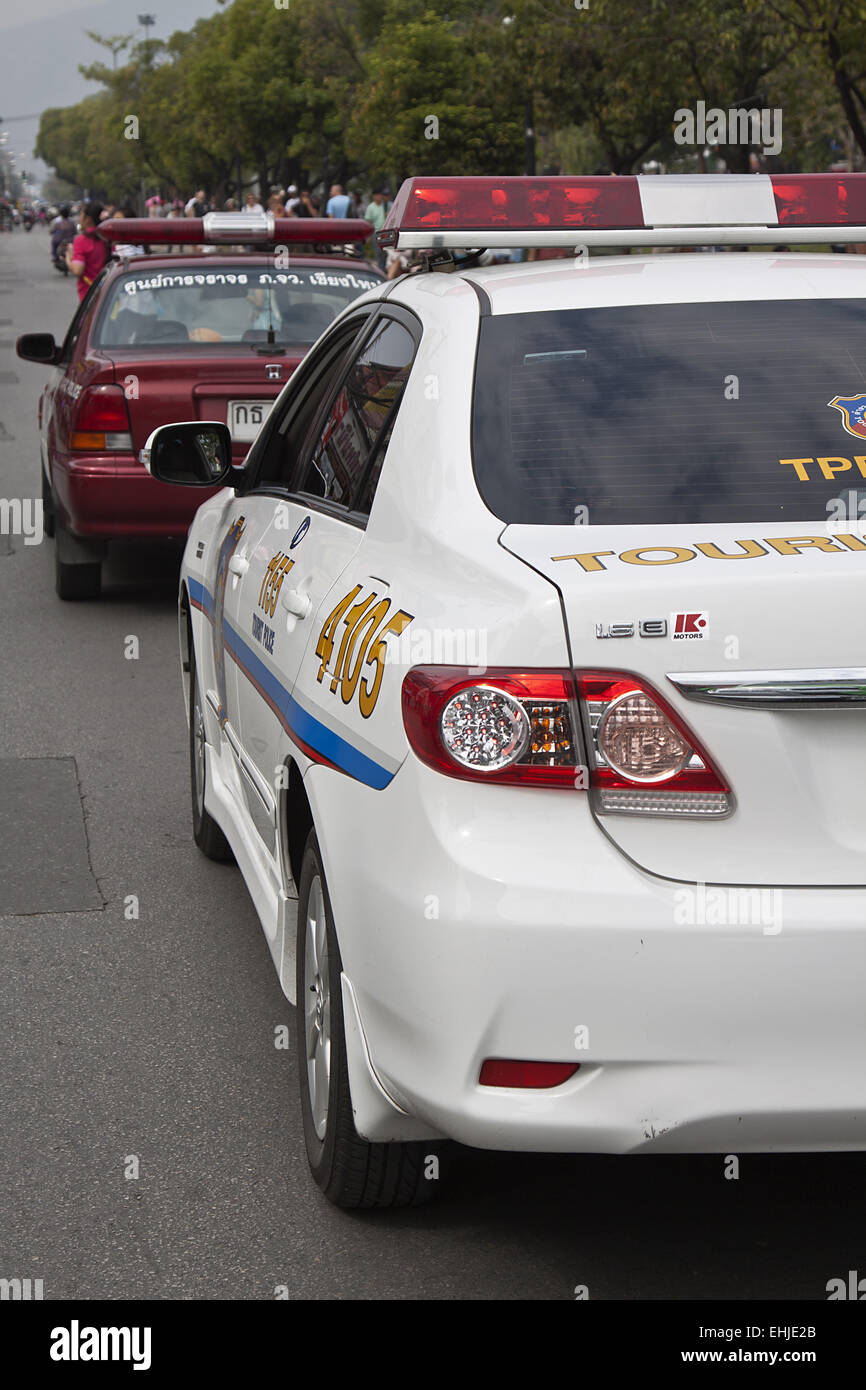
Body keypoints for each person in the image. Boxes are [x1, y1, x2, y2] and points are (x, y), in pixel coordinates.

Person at [66, 202, 108, 300]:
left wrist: (68, 258)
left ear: (88, 219)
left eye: (81, 215)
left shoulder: (81, 240)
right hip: (109, 294)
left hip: (89, 295)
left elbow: (78, 270)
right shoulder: (108, 238)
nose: (79, 219)